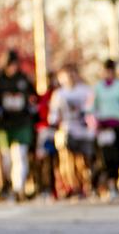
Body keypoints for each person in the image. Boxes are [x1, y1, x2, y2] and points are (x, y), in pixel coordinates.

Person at [0, 49, 36, 201]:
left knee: (20, 155)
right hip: (5, 125)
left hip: (21, 122)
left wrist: (30, 106)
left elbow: (33, 96)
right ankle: (9, 184)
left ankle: (18, 187)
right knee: (7, 159)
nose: (12, 68)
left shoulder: (23, 79)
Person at [90, 58, 119, 199]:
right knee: (109, 158)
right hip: (105, 128)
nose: (109, 74)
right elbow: (91, 107)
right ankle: (112, 187)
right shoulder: (98, 88)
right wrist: (94, 121)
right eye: (106, 71)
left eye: (111, 71)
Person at [48, 65, 94, 199]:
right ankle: (73, 186)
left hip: (83, 130)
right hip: (67, 130)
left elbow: (92, 110)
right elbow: (53, 116)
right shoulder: (59, 94)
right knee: (67, 159)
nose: (70, 77)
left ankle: (84, 184)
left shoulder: (85, 91)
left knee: (82, 161)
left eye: (72, 74)